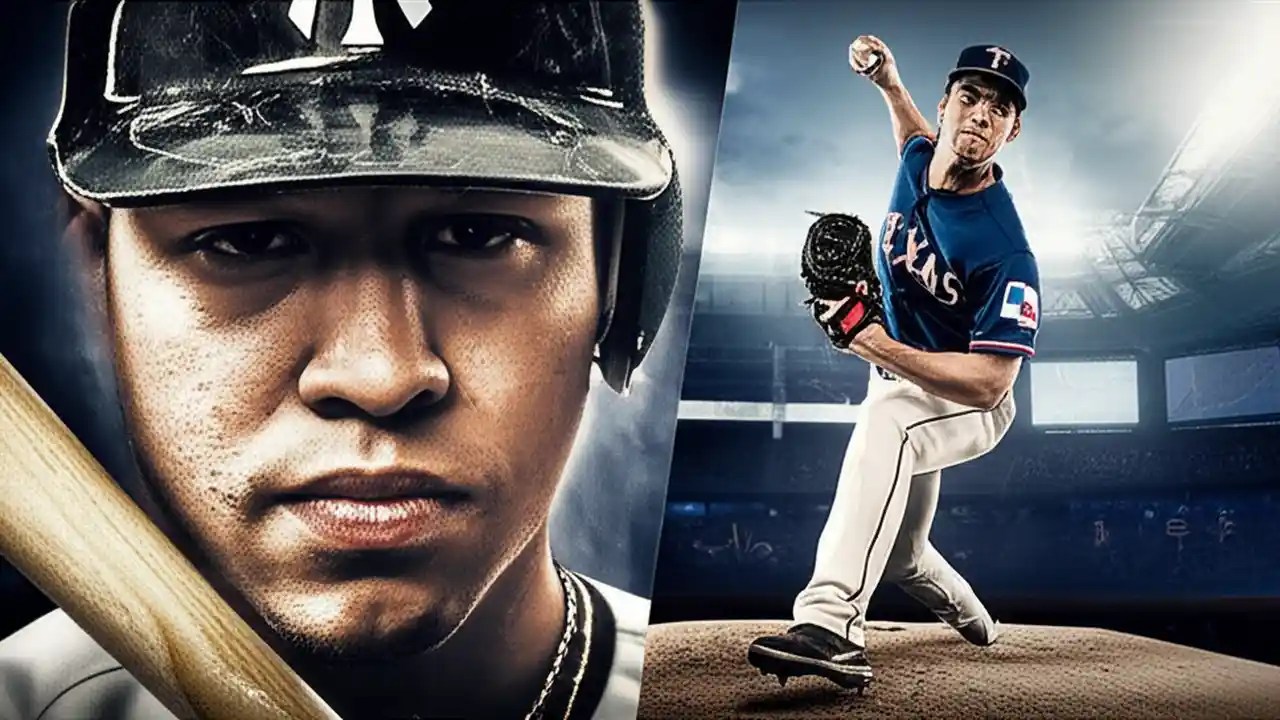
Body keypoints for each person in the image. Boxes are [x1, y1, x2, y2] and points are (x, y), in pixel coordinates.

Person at [0, 1, 685, 719]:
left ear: (619, 278)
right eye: (249, 242)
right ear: (95, 275)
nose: (378, 377)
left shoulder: (709, 694)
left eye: (475, 233)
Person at [747, 36, 1041, 690]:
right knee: (905, 554)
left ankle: (831, 624)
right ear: (947, 105)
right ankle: (979, 621)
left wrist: (871, 342)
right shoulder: (919, 159)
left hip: (970, 399)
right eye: (970, 98)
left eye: (999, 109)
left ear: (1012, 130)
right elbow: (912, 133)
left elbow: (993, 381)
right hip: (900, 379)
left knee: (888, 429)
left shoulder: (1005, 248)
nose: (980, 115)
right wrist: (888, 81)